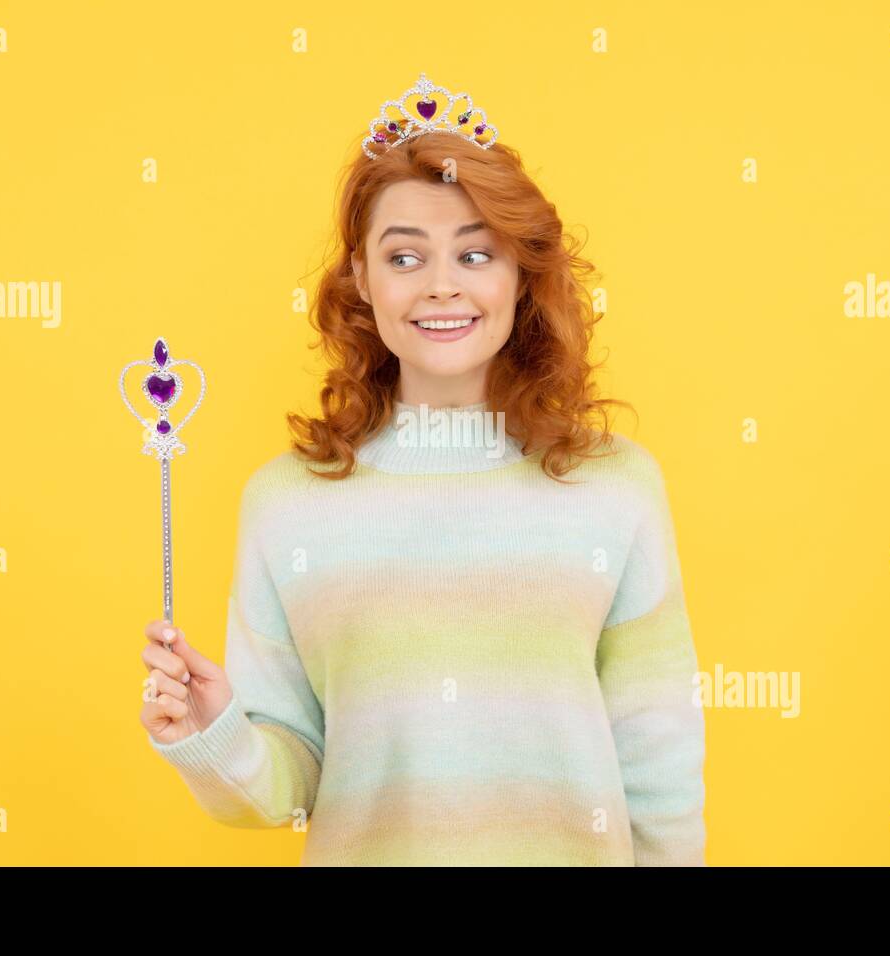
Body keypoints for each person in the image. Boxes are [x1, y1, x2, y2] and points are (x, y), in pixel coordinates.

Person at [139, 73, 706, 866]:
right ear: (362, 281)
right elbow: (290, 782)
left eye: (476, 253)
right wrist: (215, 736)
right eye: (405, 255)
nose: (442, 283)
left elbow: (659, 755)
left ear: (519, 277)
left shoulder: (616, 488)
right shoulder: (287, 503)